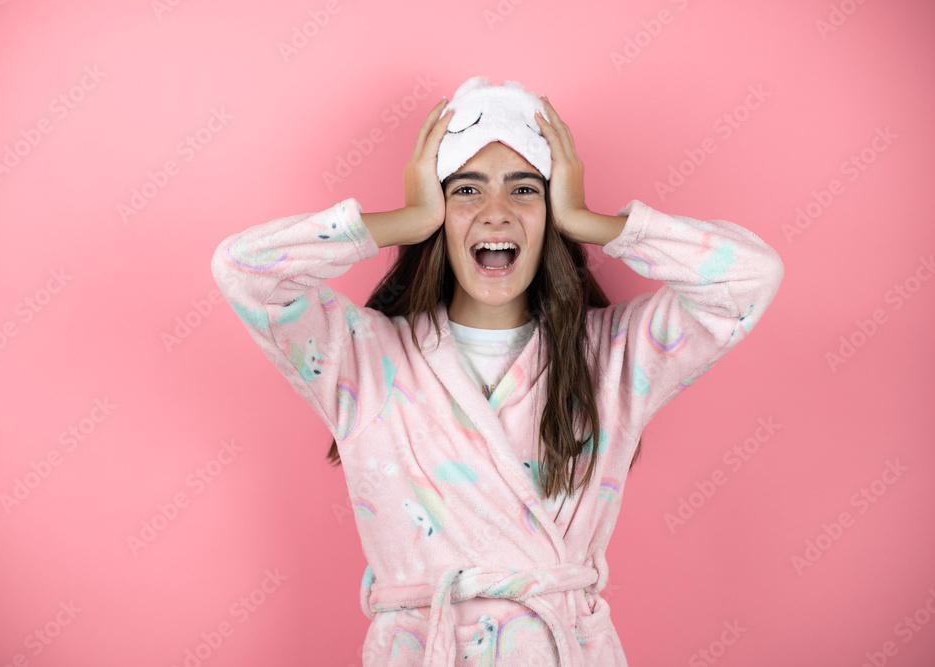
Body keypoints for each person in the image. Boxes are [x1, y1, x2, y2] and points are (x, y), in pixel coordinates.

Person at [210, 76, 784, 666]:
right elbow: (245, 269)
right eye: (465, 190)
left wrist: (595, 223)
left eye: (524, 189)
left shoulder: (611, 355)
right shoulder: (364, 357)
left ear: (550, 211)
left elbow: (749, 278)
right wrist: (403, 219)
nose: (496, 213)